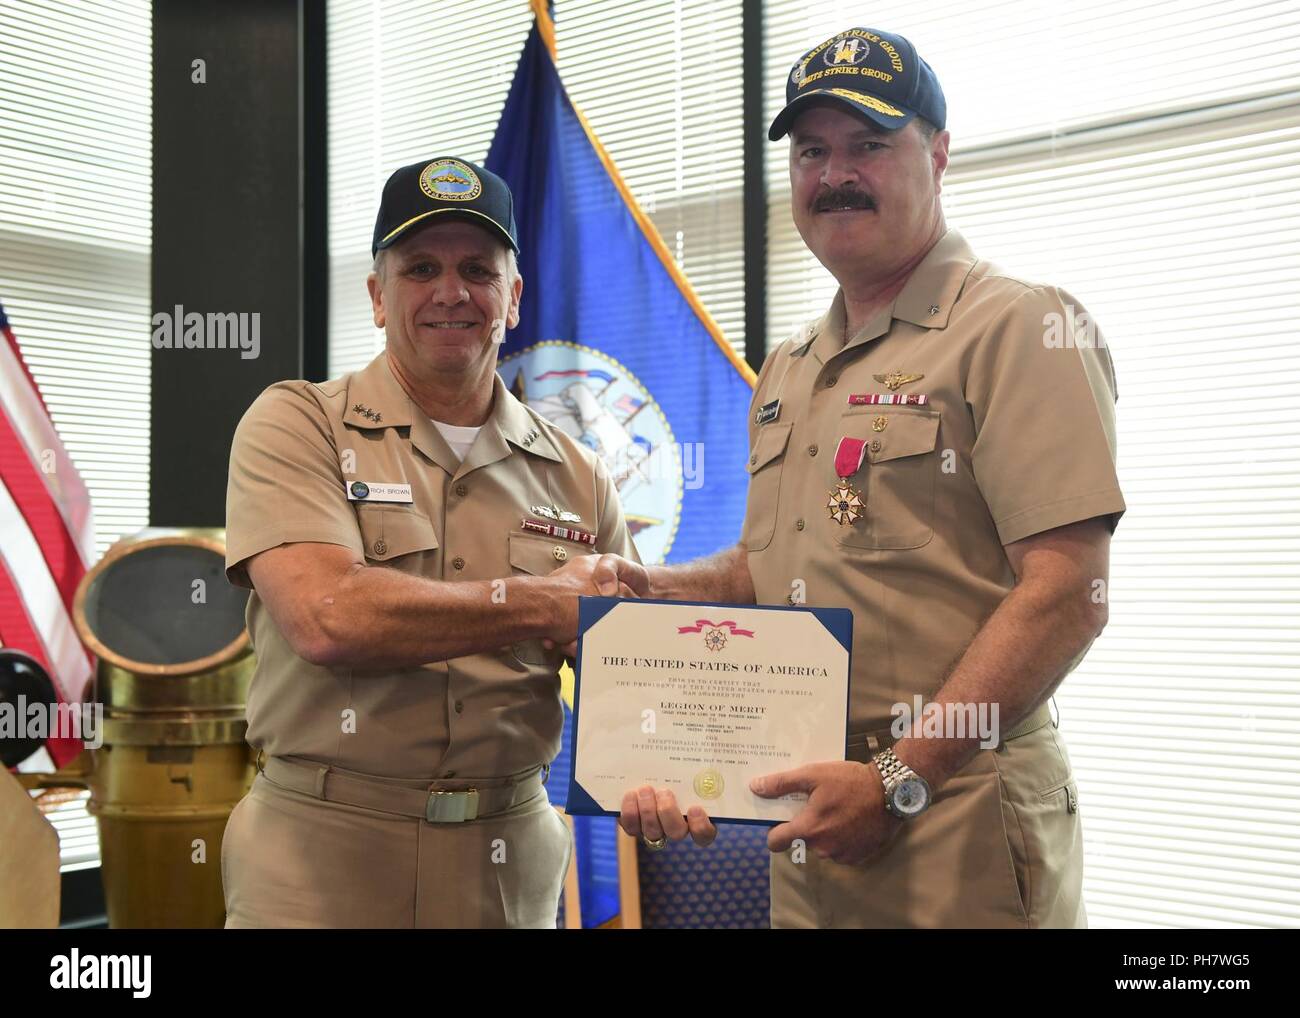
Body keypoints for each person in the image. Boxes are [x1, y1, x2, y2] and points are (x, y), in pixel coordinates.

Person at [620, 27, 1125, 928]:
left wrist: (897, 779)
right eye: (812, 150)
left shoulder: (1019, 328)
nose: (834, 174)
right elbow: (770, 569)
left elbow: (1069, 591)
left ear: (937, 155)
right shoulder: (791, 366)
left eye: (869, 145)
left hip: (957, 809)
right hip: (811, 809)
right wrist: (643, 592)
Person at [221, 156, 647, 928]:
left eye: (477, 269)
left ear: (512, 298)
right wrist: (539, 604)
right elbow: (329, 617)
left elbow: (633, 678)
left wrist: (687, 767)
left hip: (507, 864)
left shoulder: (582, 477)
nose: (451, 292)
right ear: (379, 297)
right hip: (321, 860)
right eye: (421, 267)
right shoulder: (297, 424)